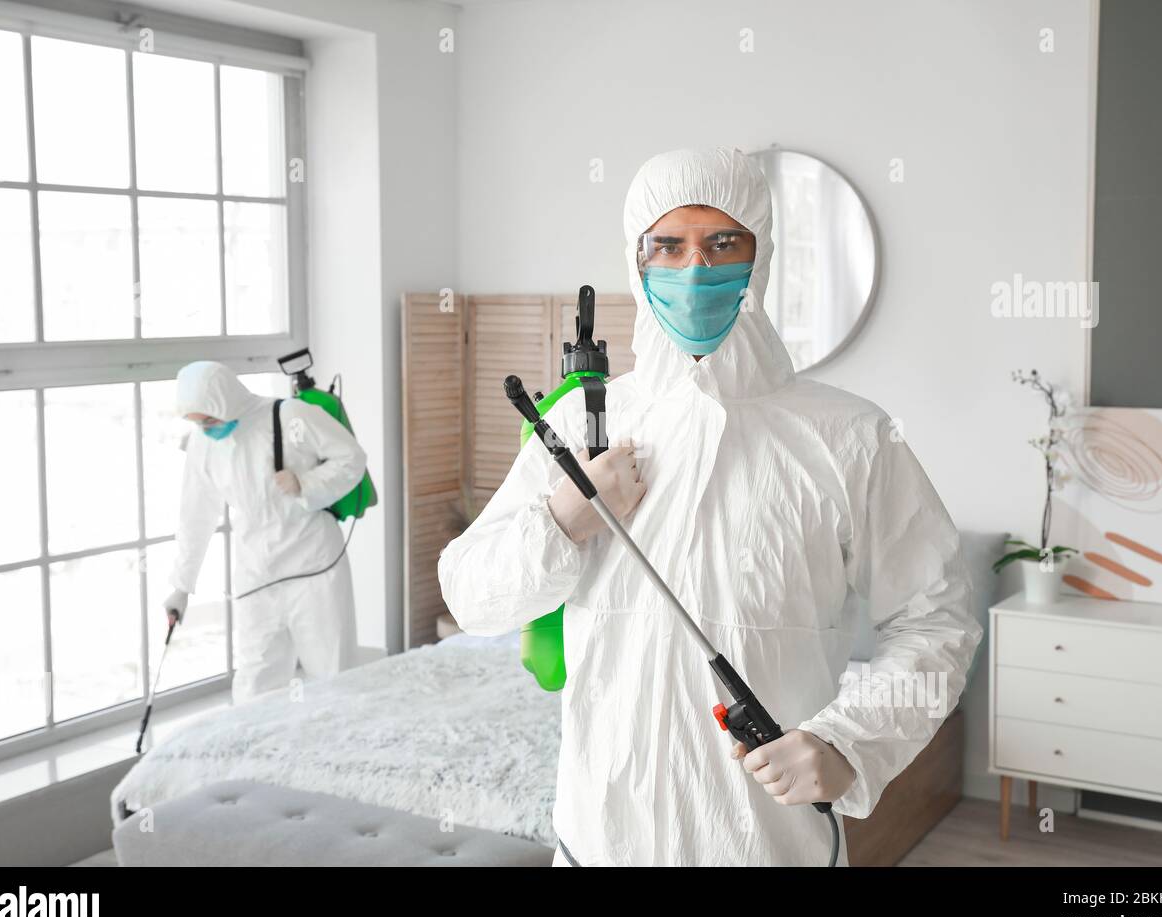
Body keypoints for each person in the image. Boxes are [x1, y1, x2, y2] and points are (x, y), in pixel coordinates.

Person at [438, 146, 981, 866]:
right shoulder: (580, 425)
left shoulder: (850, 437)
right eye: (669, 245)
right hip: (600, 839)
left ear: (762, 255)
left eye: (723, 242)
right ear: (637, 261)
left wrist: (848, 743)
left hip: (768, 845)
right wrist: (564, 518)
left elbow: (935, 619)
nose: (695, 269)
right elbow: (470, 595)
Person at [164, 361, 367, 703]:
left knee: (332, 672)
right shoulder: (203, 445)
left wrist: (306, 483)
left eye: (210, 420)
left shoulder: (291, 416)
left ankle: (338, 749)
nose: (206, 429)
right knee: (257, 680)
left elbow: (351, 458)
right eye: (197, 424)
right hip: (257, 572)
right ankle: (261, 753)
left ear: (224, 401)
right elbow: (195, 514)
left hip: (314, 566)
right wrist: (181, 587)